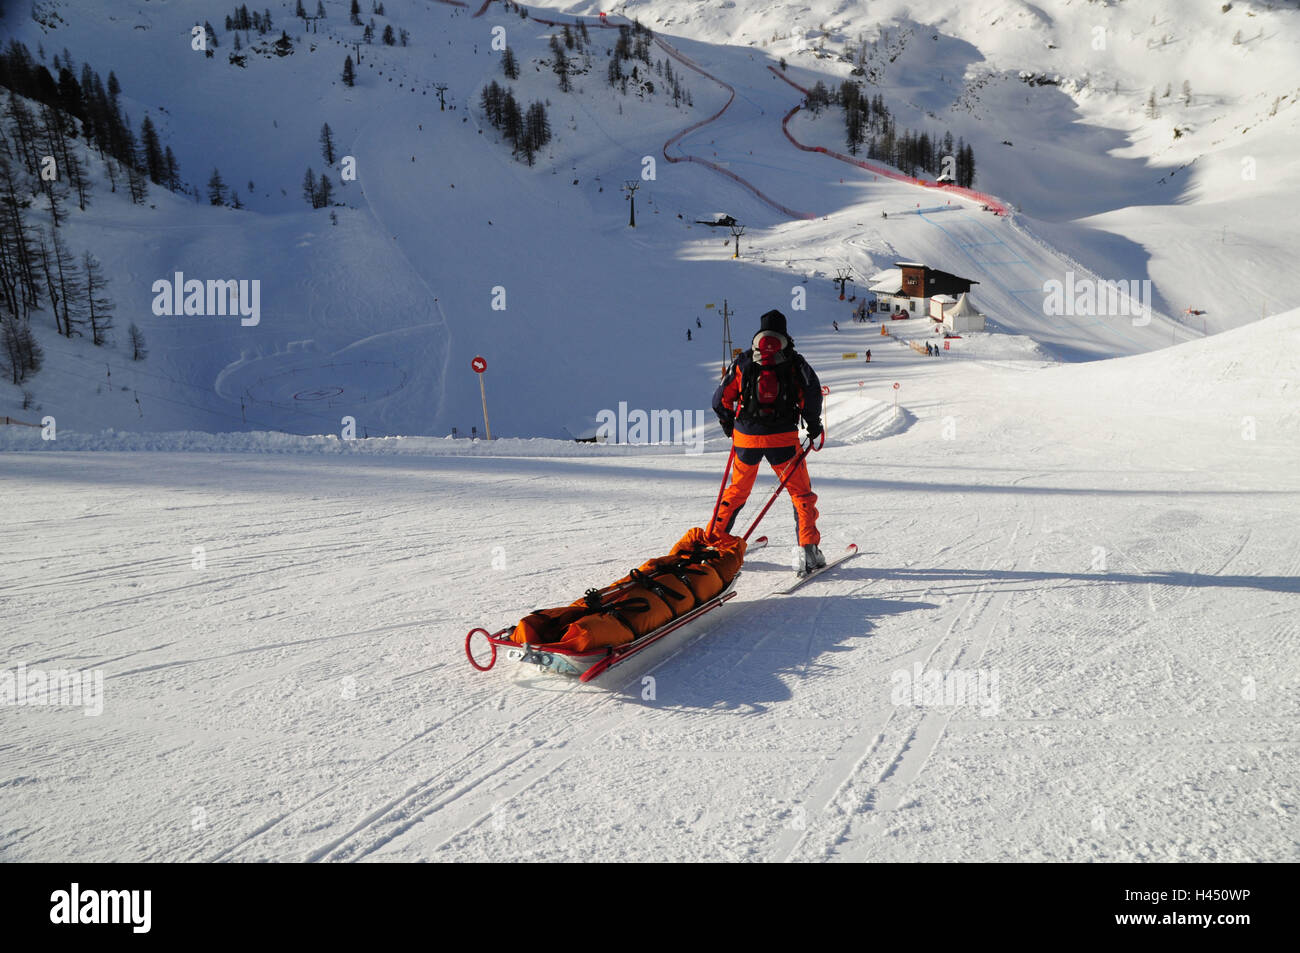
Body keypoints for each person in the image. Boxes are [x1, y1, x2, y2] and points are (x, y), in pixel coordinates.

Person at [711, 310, 825, 572]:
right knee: (800, 493)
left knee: (737, 491)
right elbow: (812, 393)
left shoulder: (744, 361)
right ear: (784, 333)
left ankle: (716, 544)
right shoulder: (795, 362)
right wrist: (813, 423)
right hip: (782, 439)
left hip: (746, 438)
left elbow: (720, 399)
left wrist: (729, 423)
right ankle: (808, 549)